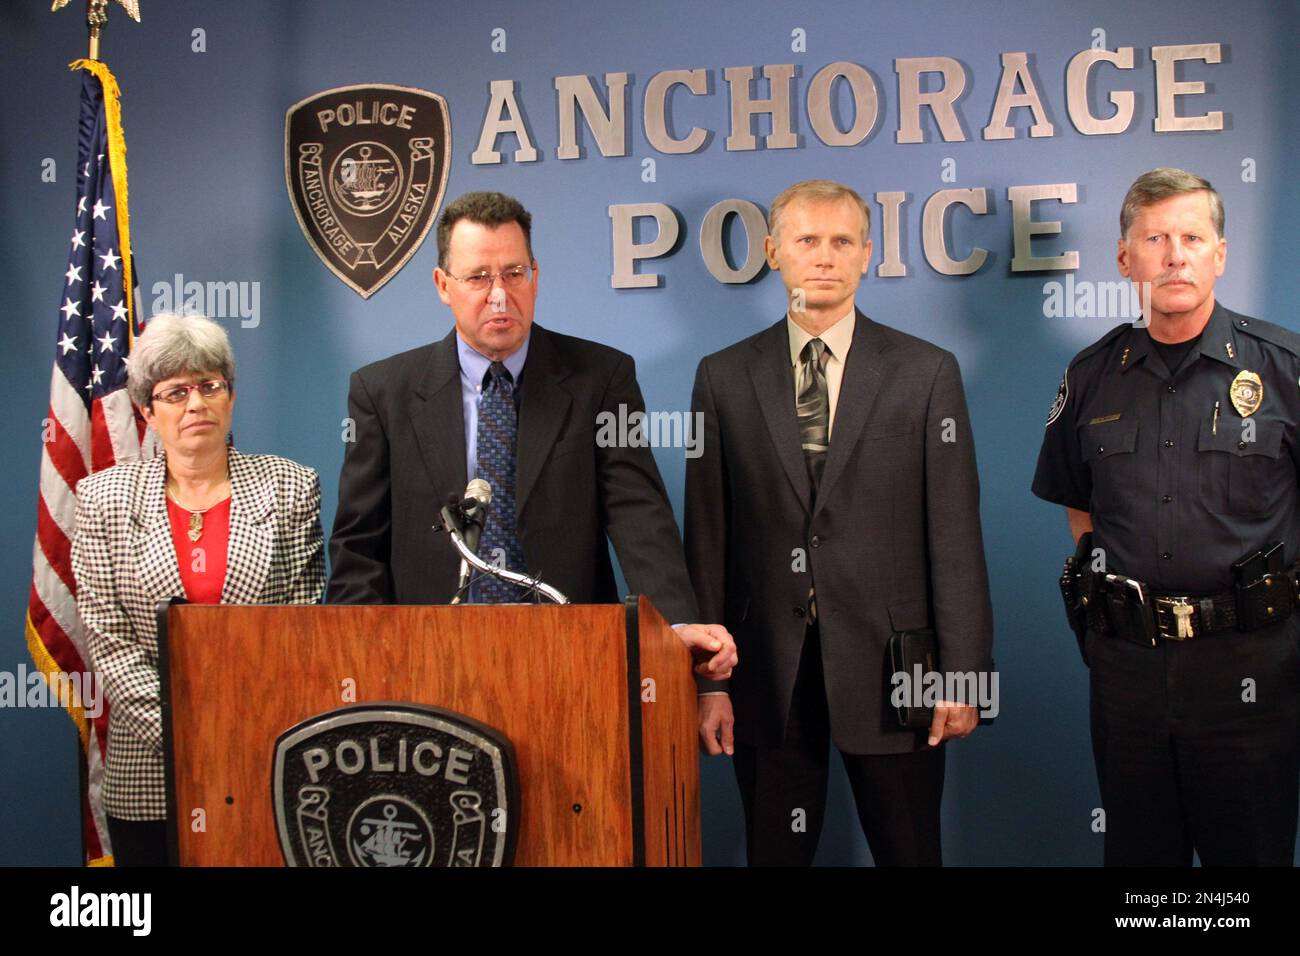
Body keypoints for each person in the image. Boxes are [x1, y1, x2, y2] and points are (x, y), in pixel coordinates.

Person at [685, 179, 994, 866]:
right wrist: (709, 682)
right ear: (773, 253)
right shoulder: (723, 378)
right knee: (775, 854)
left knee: (910, 851)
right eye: (806, 240)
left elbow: (955, 535)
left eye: (842, 241)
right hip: (768, 671)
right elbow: (706, 540)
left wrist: (966, 674)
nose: (824, 257)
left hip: (898, 669)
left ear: (866, 255)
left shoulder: (925, 373)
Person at [327, 190, 736, 690]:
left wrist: (673, 626)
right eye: (478, 277)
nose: (499, 294)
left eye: (513, 274)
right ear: (442, 284)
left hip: (569, 655)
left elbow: (638, 512)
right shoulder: (382, 392)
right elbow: (359, 545)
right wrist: (358, 658)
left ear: (535, 277)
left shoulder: (601, 377)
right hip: (426, 660)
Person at [1033, 167, 1300, 866]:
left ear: (1220, 253)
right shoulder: (1092, 376)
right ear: (1126, 259)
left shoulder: (1283, 369)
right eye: (1155, 238)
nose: (1174, 254)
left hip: (1253, 670)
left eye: (1191, 236)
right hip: (1131, 673)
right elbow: (1080, 506)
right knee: (1142, 868)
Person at [71, 313, 326, 866]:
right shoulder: (101, 500)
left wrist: (239, 729)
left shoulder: (290, 488)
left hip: (263, 759)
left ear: (230, 396)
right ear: (147, 411)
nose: (195, 404)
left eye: (210, 386)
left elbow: (301, 629)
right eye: (175, 392)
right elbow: (108, 645)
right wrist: (195, 734)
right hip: (147, 777)